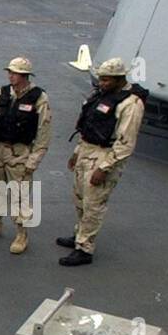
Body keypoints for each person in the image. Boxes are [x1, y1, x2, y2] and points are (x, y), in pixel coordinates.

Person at [60, 57, 146, 266]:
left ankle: (85, 248)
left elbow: (125, 144)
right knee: (80, 197)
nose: (102, 83)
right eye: (101, 79)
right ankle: (79, 234)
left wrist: (104, 168)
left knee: (94, 204)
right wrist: (77, 151)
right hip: (87, 150)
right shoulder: (103, 94)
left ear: (119, 79)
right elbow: (89, 126)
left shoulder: (131, 104)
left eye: (107, 80)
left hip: (104, 155)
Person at [0, 57, 52, 254]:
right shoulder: (2, 93)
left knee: (19, 194)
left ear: (25, 76)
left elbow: (44, 132)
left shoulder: (39, 98)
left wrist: (34, 160)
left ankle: (21, 233)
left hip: (20, 152)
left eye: (14, 73)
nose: (10, 75)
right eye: (10, 72)